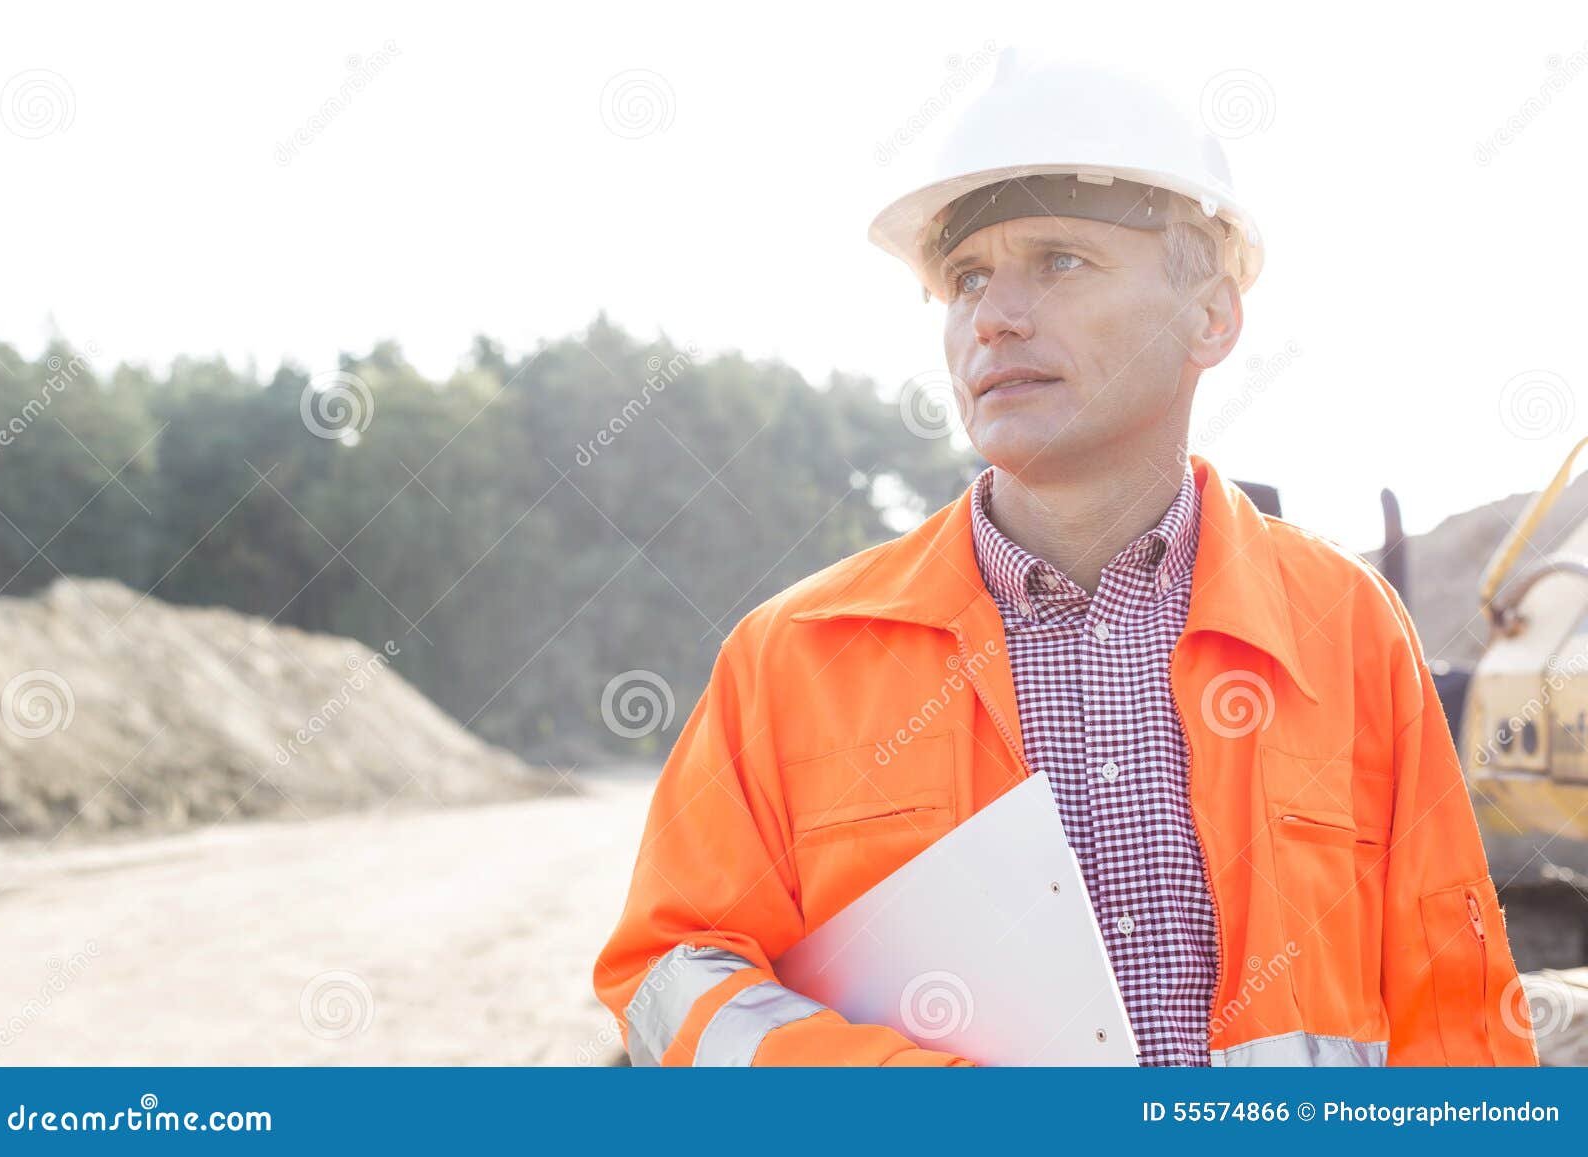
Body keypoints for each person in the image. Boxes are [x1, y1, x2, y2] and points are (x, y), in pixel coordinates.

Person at [593, 55, 1537, 1067]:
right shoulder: (792, 656)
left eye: (1059, 260)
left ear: (1211, 316)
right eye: (964, 279)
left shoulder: (1341, 624)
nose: (992, 316)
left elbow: (1456, 1012)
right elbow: (669, 968)